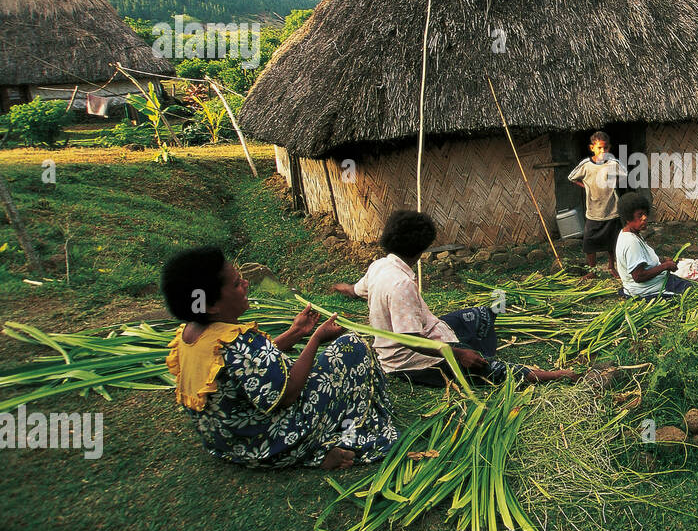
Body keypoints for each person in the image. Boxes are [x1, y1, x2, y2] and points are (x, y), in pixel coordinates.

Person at [162, 245, 397, 470]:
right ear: (211, 305)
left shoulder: (191, 337)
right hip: (276, 446)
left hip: (231, 446)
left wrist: (297, 332)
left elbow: (252, 367)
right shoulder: (240, 342)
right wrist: (316, 339)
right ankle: (334, 440)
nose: (245, 283)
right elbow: (288, 393)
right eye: (236, 284)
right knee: (351, 346)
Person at [331, 210, 575, 385]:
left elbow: (358, 289)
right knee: (489, 368)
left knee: (482, 313)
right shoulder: (401, 284)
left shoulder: (380, 266)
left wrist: (344, 288)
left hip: (431, 330)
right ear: (422, 248)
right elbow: (410, 340)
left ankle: (475, 346)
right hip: (414, 362)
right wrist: (458, 354)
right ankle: (553, 376)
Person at [615, 192, 698, 298]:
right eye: (639, 215)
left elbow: (644, 262)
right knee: (696, 292)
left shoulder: (631, 234)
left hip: (654, 283)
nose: (644, 218)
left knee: (691, 284)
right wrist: (665, 266)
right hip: (647, 290)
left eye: (645, 214)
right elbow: (638, 276)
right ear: (628, 218)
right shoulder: (631, 242)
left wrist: (663, 261)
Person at [567, 131, 627, 277]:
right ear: (592, 148)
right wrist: (586, 186)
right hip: (593, 211)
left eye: (605, 148)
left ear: (609, 148)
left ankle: (611, 267)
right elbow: (572, 178)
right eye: (599, 148)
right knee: (589, 242)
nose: (602, 151)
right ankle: (592, 270)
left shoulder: (613, 163)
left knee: (612, 242)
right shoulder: (586, 165)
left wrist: (613, 183)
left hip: (612, 209)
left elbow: (624, 175)